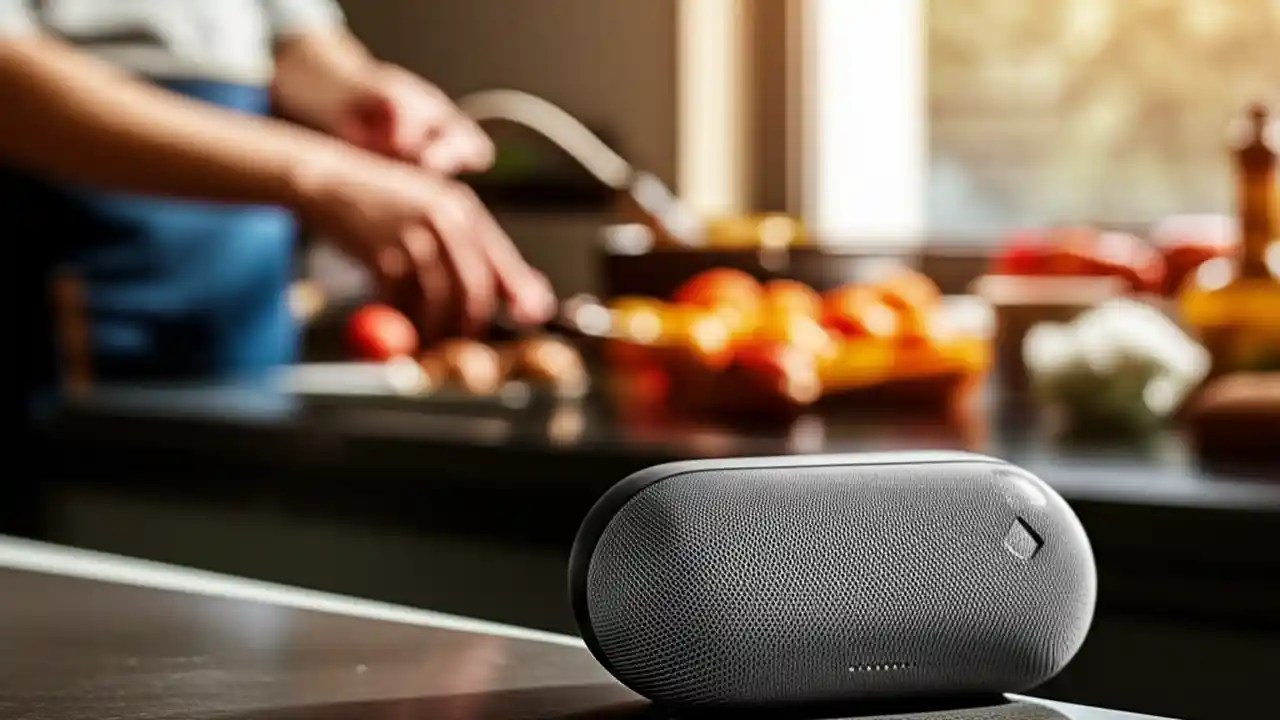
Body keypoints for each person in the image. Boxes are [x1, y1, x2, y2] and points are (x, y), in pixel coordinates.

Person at [0, 0, 556, 405]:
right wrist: (325, 176)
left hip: (244, 310)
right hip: (64, 305)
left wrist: (359, 89)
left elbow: (293, 34)